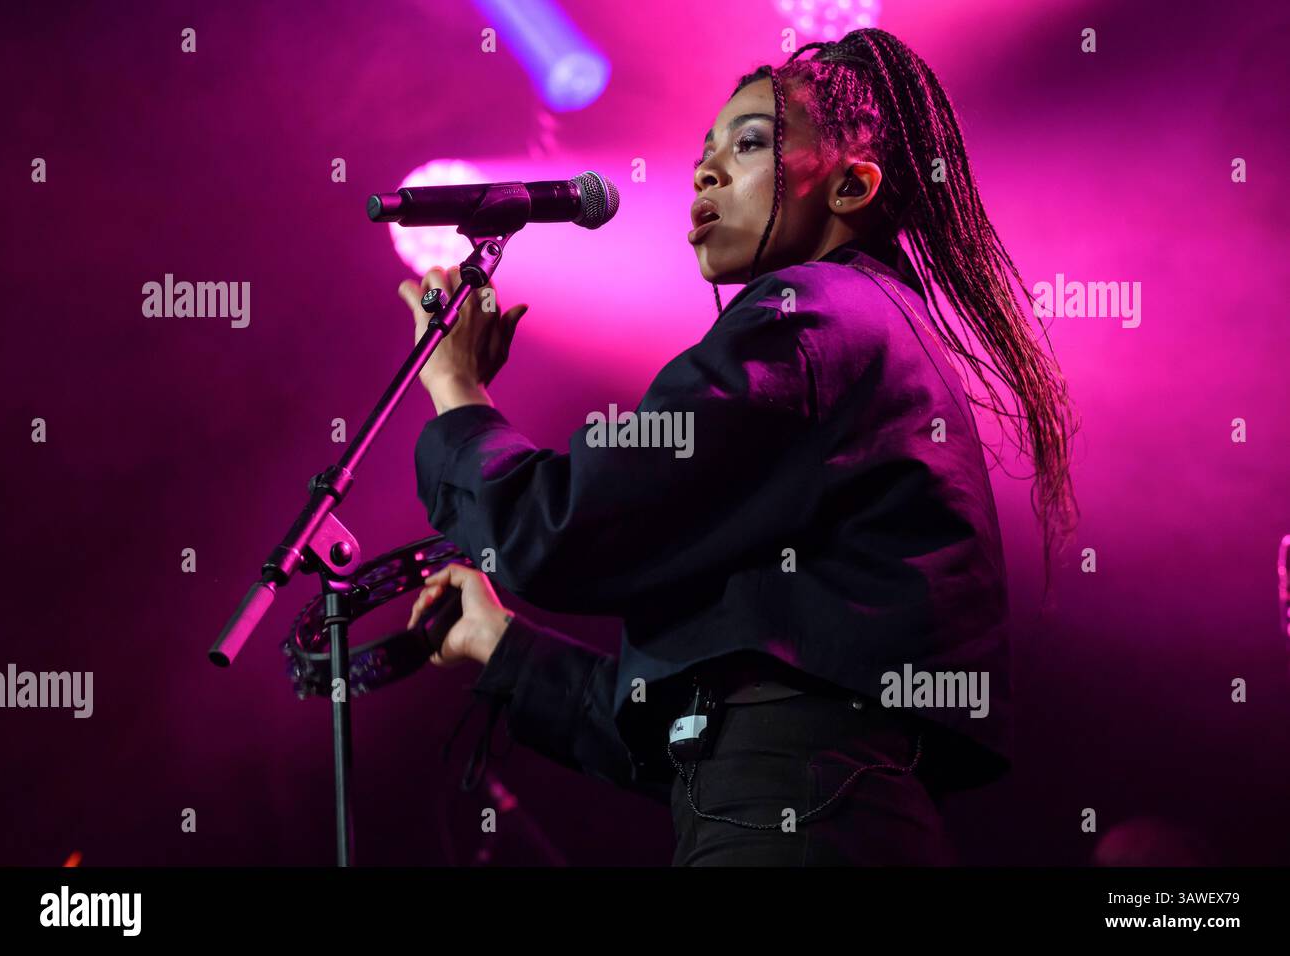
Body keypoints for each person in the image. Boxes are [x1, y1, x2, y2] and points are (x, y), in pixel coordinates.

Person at [399, 28, 1077, 866]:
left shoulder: (810, 319)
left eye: (751, 143)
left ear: (853, 185)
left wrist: (457, 393)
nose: (707, 171)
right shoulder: (861, 337)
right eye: (702, 155)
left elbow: (556, 528)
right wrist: (502, 647)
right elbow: (709, 751)